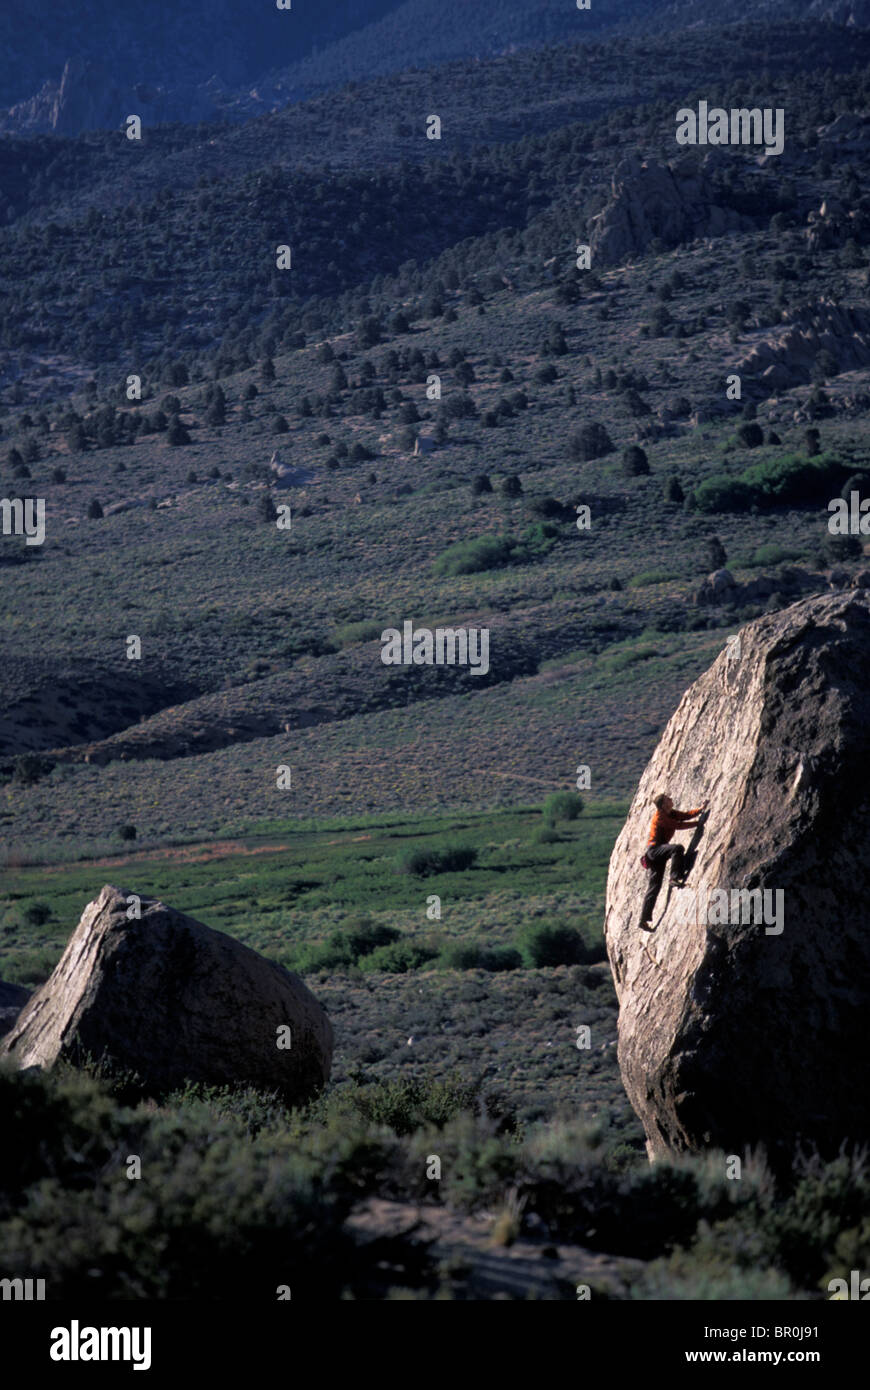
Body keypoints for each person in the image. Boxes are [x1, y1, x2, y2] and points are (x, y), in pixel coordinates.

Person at [638, 793, 708, 932]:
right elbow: (677, 825)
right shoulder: (660, 817)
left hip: (659, 851)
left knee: (654, 887)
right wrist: (698, 823)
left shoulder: (670, 812)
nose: (671, 800)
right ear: (663, 805)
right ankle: (674, 877)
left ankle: (643, 920)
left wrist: (700, 809)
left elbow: (684, 815)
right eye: (668, 799)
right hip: (655, 850)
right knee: (677, 849)